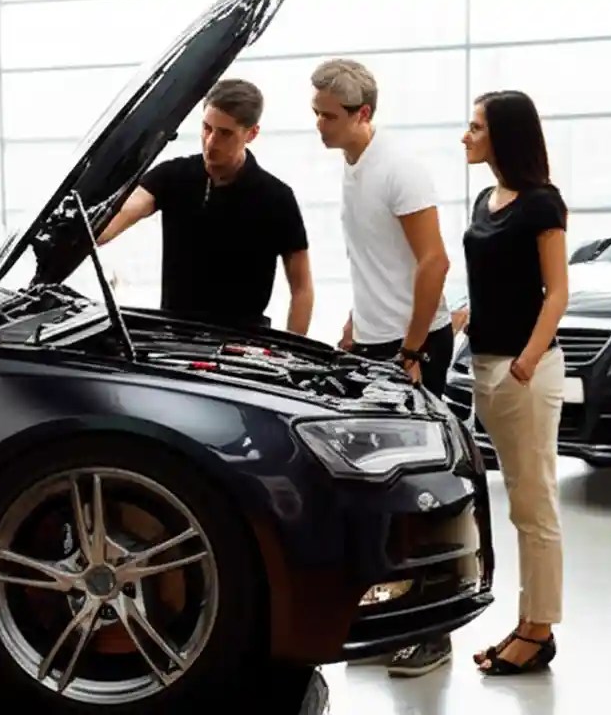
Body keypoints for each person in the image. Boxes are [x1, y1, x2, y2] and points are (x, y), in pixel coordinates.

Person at [310, 58, 455, 677]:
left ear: (362, 114)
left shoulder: (399, 169)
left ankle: (434, 634)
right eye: (316, 113)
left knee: (421, 495)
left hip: (413, 347)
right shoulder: (352, 165)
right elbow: (376, 261)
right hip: (375, 343)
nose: (319, 125)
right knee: (374, 493)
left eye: (329, 116)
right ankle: (387, 621)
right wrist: (355, 326)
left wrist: (411, 352)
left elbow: (434, 263)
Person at [458, 89, 567, 676]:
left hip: (525, 372)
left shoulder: (542, 204)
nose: (466, 136)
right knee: (520, 502)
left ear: (505, 134)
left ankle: (538, 630)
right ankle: (527, 623)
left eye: (476, 127)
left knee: (534, 502)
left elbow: (558, 293)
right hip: (485, 364)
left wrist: (526, 359)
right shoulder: (485, 200)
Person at [97, 78, 314, 335]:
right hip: (175, 337)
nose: (211, 142)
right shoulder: (172, 176)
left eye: (225, 133)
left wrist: (291, 350)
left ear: (252, 133)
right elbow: (121, 214)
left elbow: (301, 288)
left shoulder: (277, 197)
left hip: (243, 343)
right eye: (207, 128)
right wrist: (85, 230)